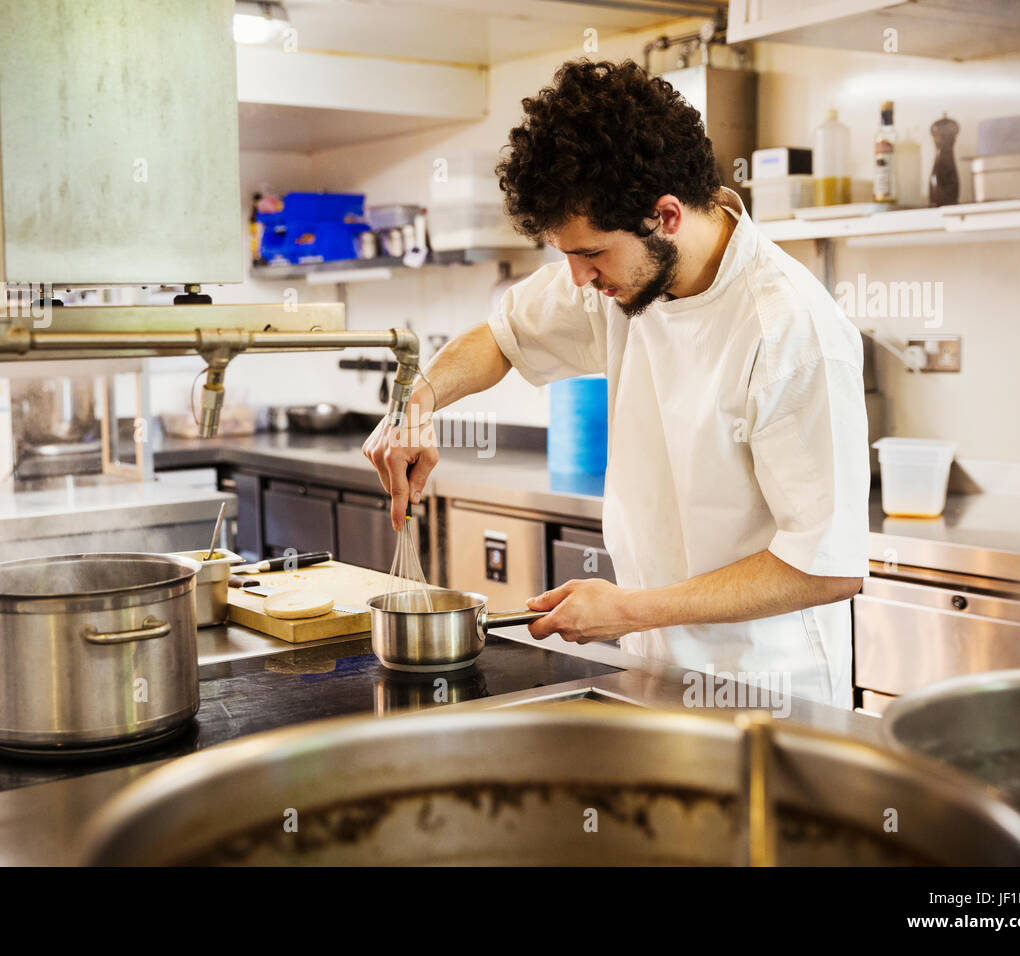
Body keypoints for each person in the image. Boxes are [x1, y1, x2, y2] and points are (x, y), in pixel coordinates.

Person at [363, 60, 869, 708]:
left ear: (664, 215)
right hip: (654, 680)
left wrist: (627, 610)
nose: (577, 279)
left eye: (590, 255)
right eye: (567, 256)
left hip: (769, 703)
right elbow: (500, 337)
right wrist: (418, 402)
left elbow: (823, 567)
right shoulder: (622, 280)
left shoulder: (790, 331)